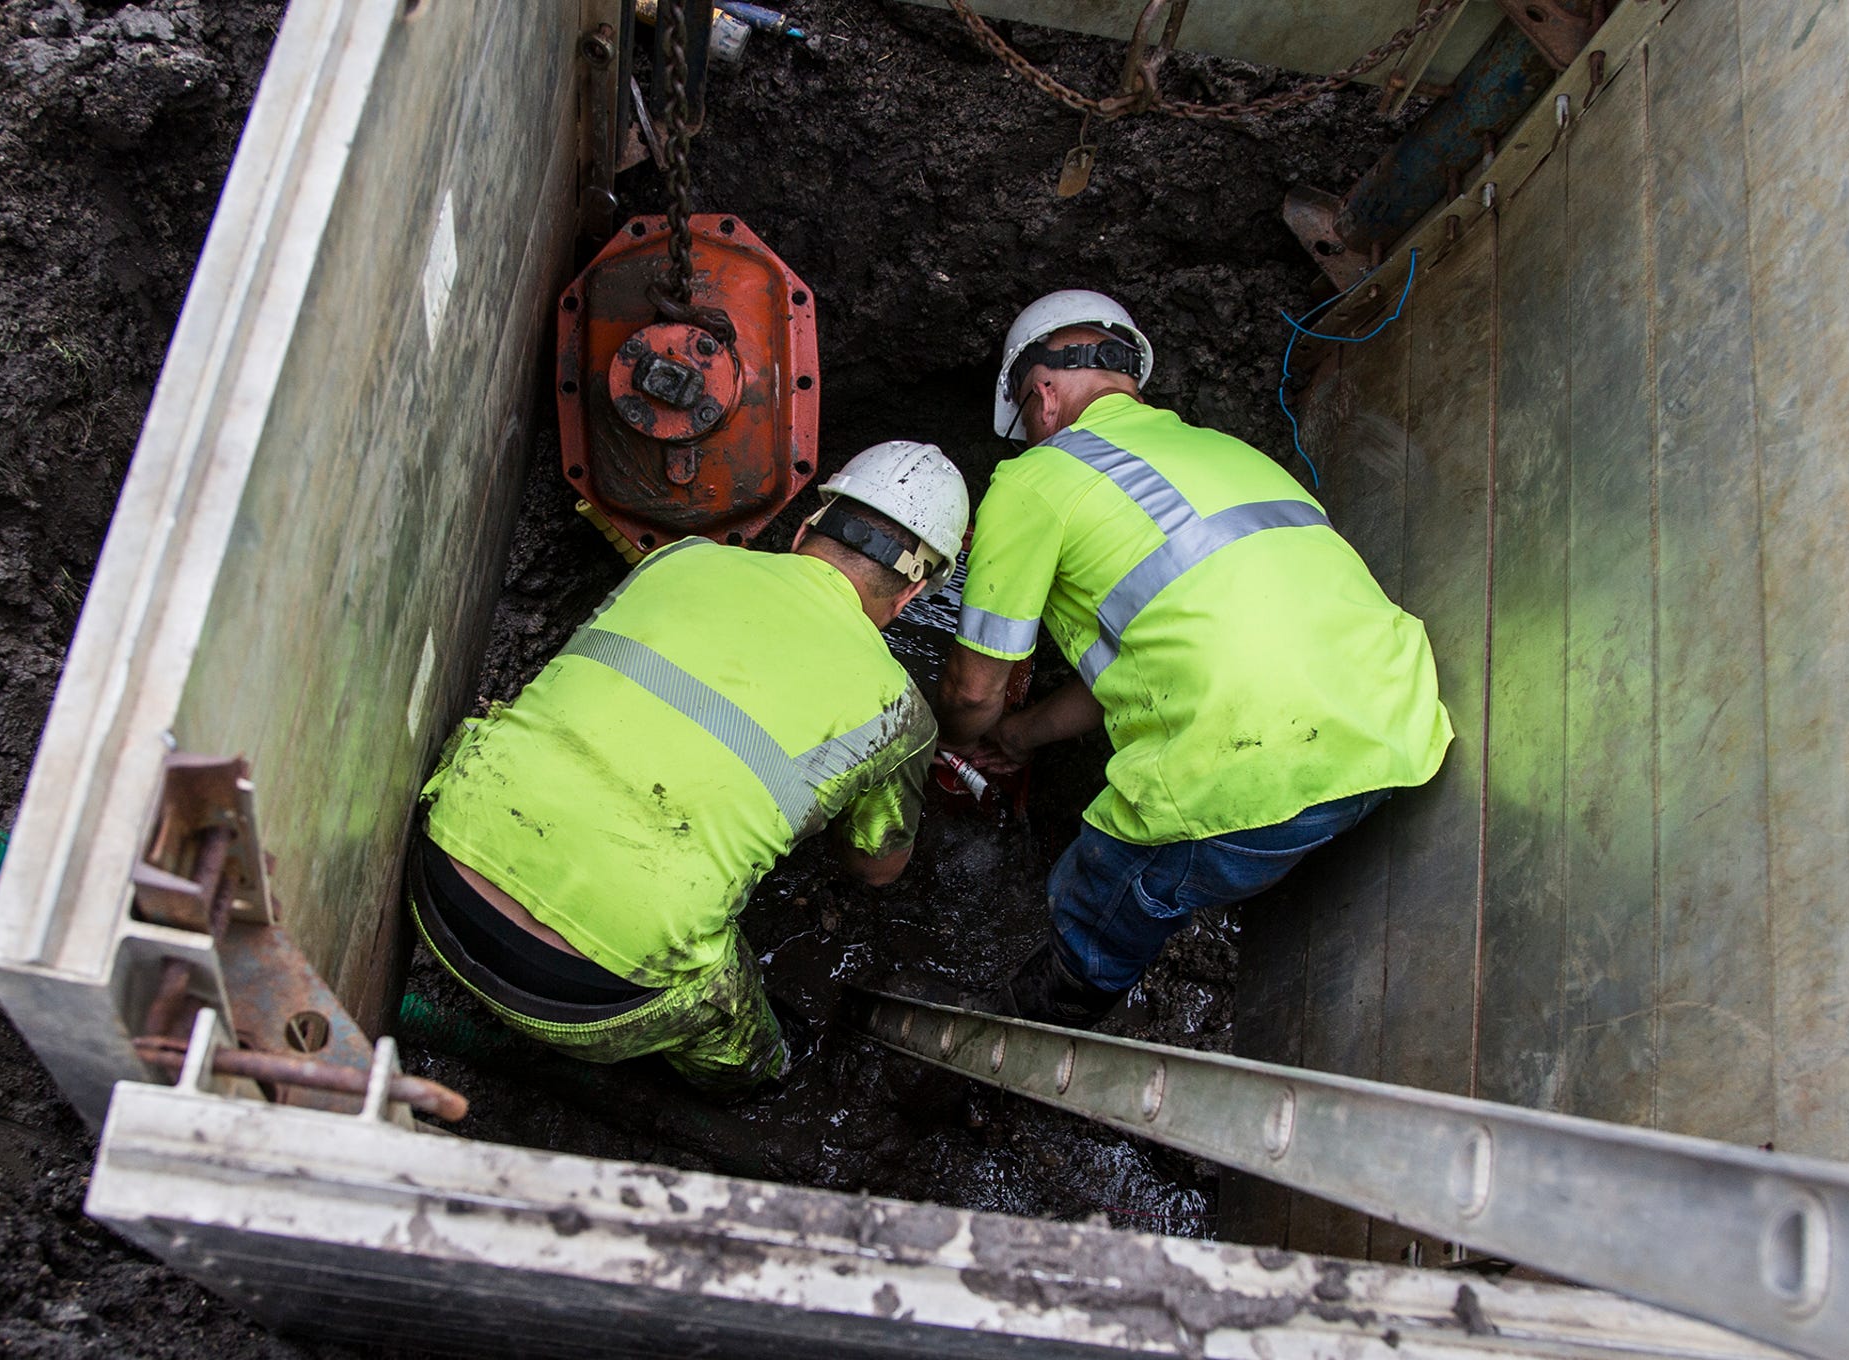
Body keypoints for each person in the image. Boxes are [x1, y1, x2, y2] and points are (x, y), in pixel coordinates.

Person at [939, 289, 1453, 1028]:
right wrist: (1018, 739)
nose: (1028, 438)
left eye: (1024, 420)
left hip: (1247, 781)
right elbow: (1156, 655)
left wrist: (947, 746)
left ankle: (1050, 1009)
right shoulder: (1229, 452)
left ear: (1042, 395)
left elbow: (973, 691)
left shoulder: (1034, 480)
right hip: (1397, 735)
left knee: (1097, 890)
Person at [410, 442, 967, 1089]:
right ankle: (754, 1084)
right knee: (745, 1036)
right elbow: (876, 866)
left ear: (807, 530)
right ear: (913, 593)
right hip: (585, 1002)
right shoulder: (899, 711)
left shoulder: (682, 557)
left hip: (436, 881)